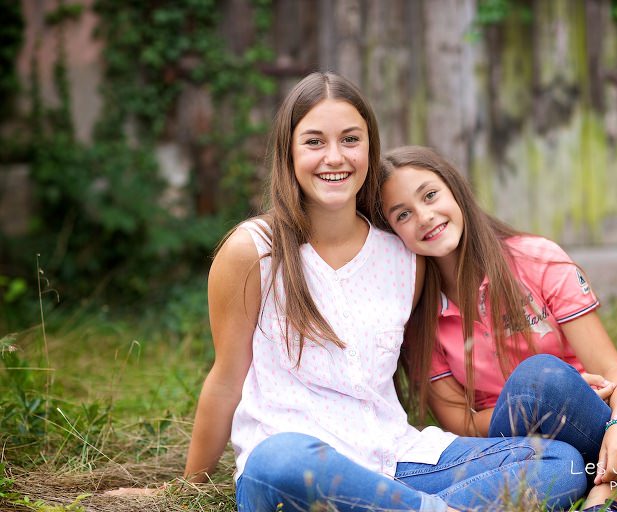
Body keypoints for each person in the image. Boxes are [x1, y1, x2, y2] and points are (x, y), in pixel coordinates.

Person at [110, 74, 588, 511]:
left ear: (370, 150)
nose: (334, 157)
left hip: (401, 461)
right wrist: (187, 487)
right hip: (300, 474)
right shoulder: (253, 251)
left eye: (350, 141)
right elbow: (226, 379)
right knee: (277, 459)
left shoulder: (404, 257)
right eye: (314, 142)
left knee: (562, 462)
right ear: (289, 153)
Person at [377, 145, 617, 512]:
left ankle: (607, 495)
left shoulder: (535, 258)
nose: (424, 216)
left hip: (591, 412)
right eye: (403, 215)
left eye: (429, 195)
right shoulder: (415, 314)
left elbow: (614, 374)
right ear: (392, 233)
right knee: (542, 380)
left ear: (455, 191)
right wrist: (540, 397)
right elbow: (460, 423)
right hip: (518, 441)